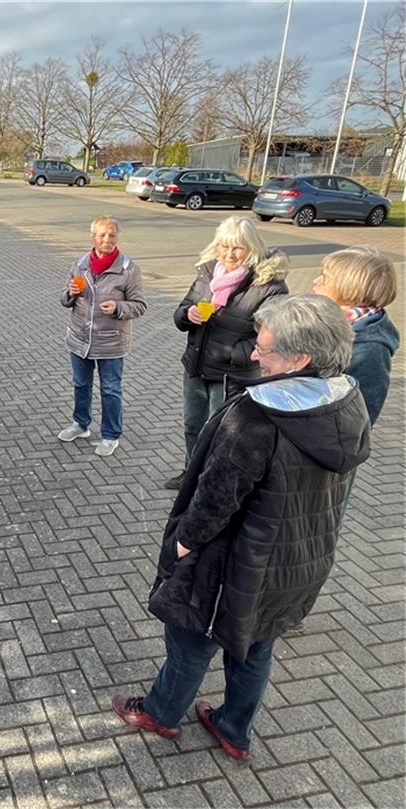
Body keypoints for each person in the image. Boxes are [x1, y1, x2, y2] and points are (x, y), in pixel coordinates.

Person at [112, 295, 370, 762]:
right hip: (297, 562)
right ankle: (234, 729)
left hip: (234, 565)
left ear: (300, 358)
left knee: (191, 641)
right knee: (254, 646)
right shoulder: (346, 403)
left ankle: (160, 714)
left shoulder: (257, 416)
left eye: (265, 349)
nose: (254, 354)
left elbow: (214, 501)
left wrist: (181, 546)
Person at [164, 216, 289, 488]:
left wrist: (231, 354)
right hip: (196, 366)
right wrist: (188, 313)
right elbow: (179, 313)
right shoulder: (207, 273)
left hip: (231, 374)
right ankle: (191, 474)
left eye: (238, 248)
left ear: (252, 248)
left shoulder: (269, 286)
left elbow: (272, 336)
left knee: (221, 432)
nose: (229, 254)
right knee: (192, 425)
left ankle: (213, 483)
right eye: (224, 246)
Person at [57, 215, 147, 457]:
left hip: (111, 342)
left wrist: (118, 308)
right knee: (81, 384)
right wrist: (70, 293)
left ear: (117, 238)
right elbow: (65, 300)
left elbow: (139, 305)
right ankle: (81, 424)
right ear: (92, 238)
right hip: (80, 338)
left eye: (112, 235)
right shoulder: (80, 265)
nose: (107, 240)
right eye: (102, 235)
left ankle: (110, 435)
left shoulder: (128, 269)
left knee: (110, 389)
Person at [312, 246, 399, 427]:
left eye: (325, 277)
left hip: (322, 445)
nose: (316, 280)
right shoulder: (328, 320)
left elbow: (361, 418)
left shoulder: (371, 348)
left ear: (349, 286)